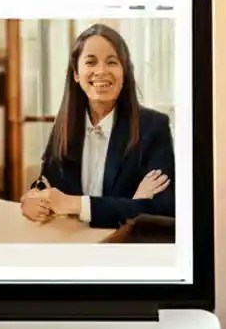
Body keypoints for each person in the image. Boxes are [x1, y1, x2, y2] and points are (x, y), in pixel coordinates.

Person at [20, 23, 174, 229]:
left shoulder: (154, 127)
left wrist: (75, 204)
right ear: (76, 73)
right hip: (71, 244)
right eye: (90, 62)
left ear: (125, 72)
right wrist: (30, 199)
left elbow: (163, 209)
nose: (101, 71)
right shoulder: (64, 125)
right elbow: (47, 185)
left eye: (112, 62)